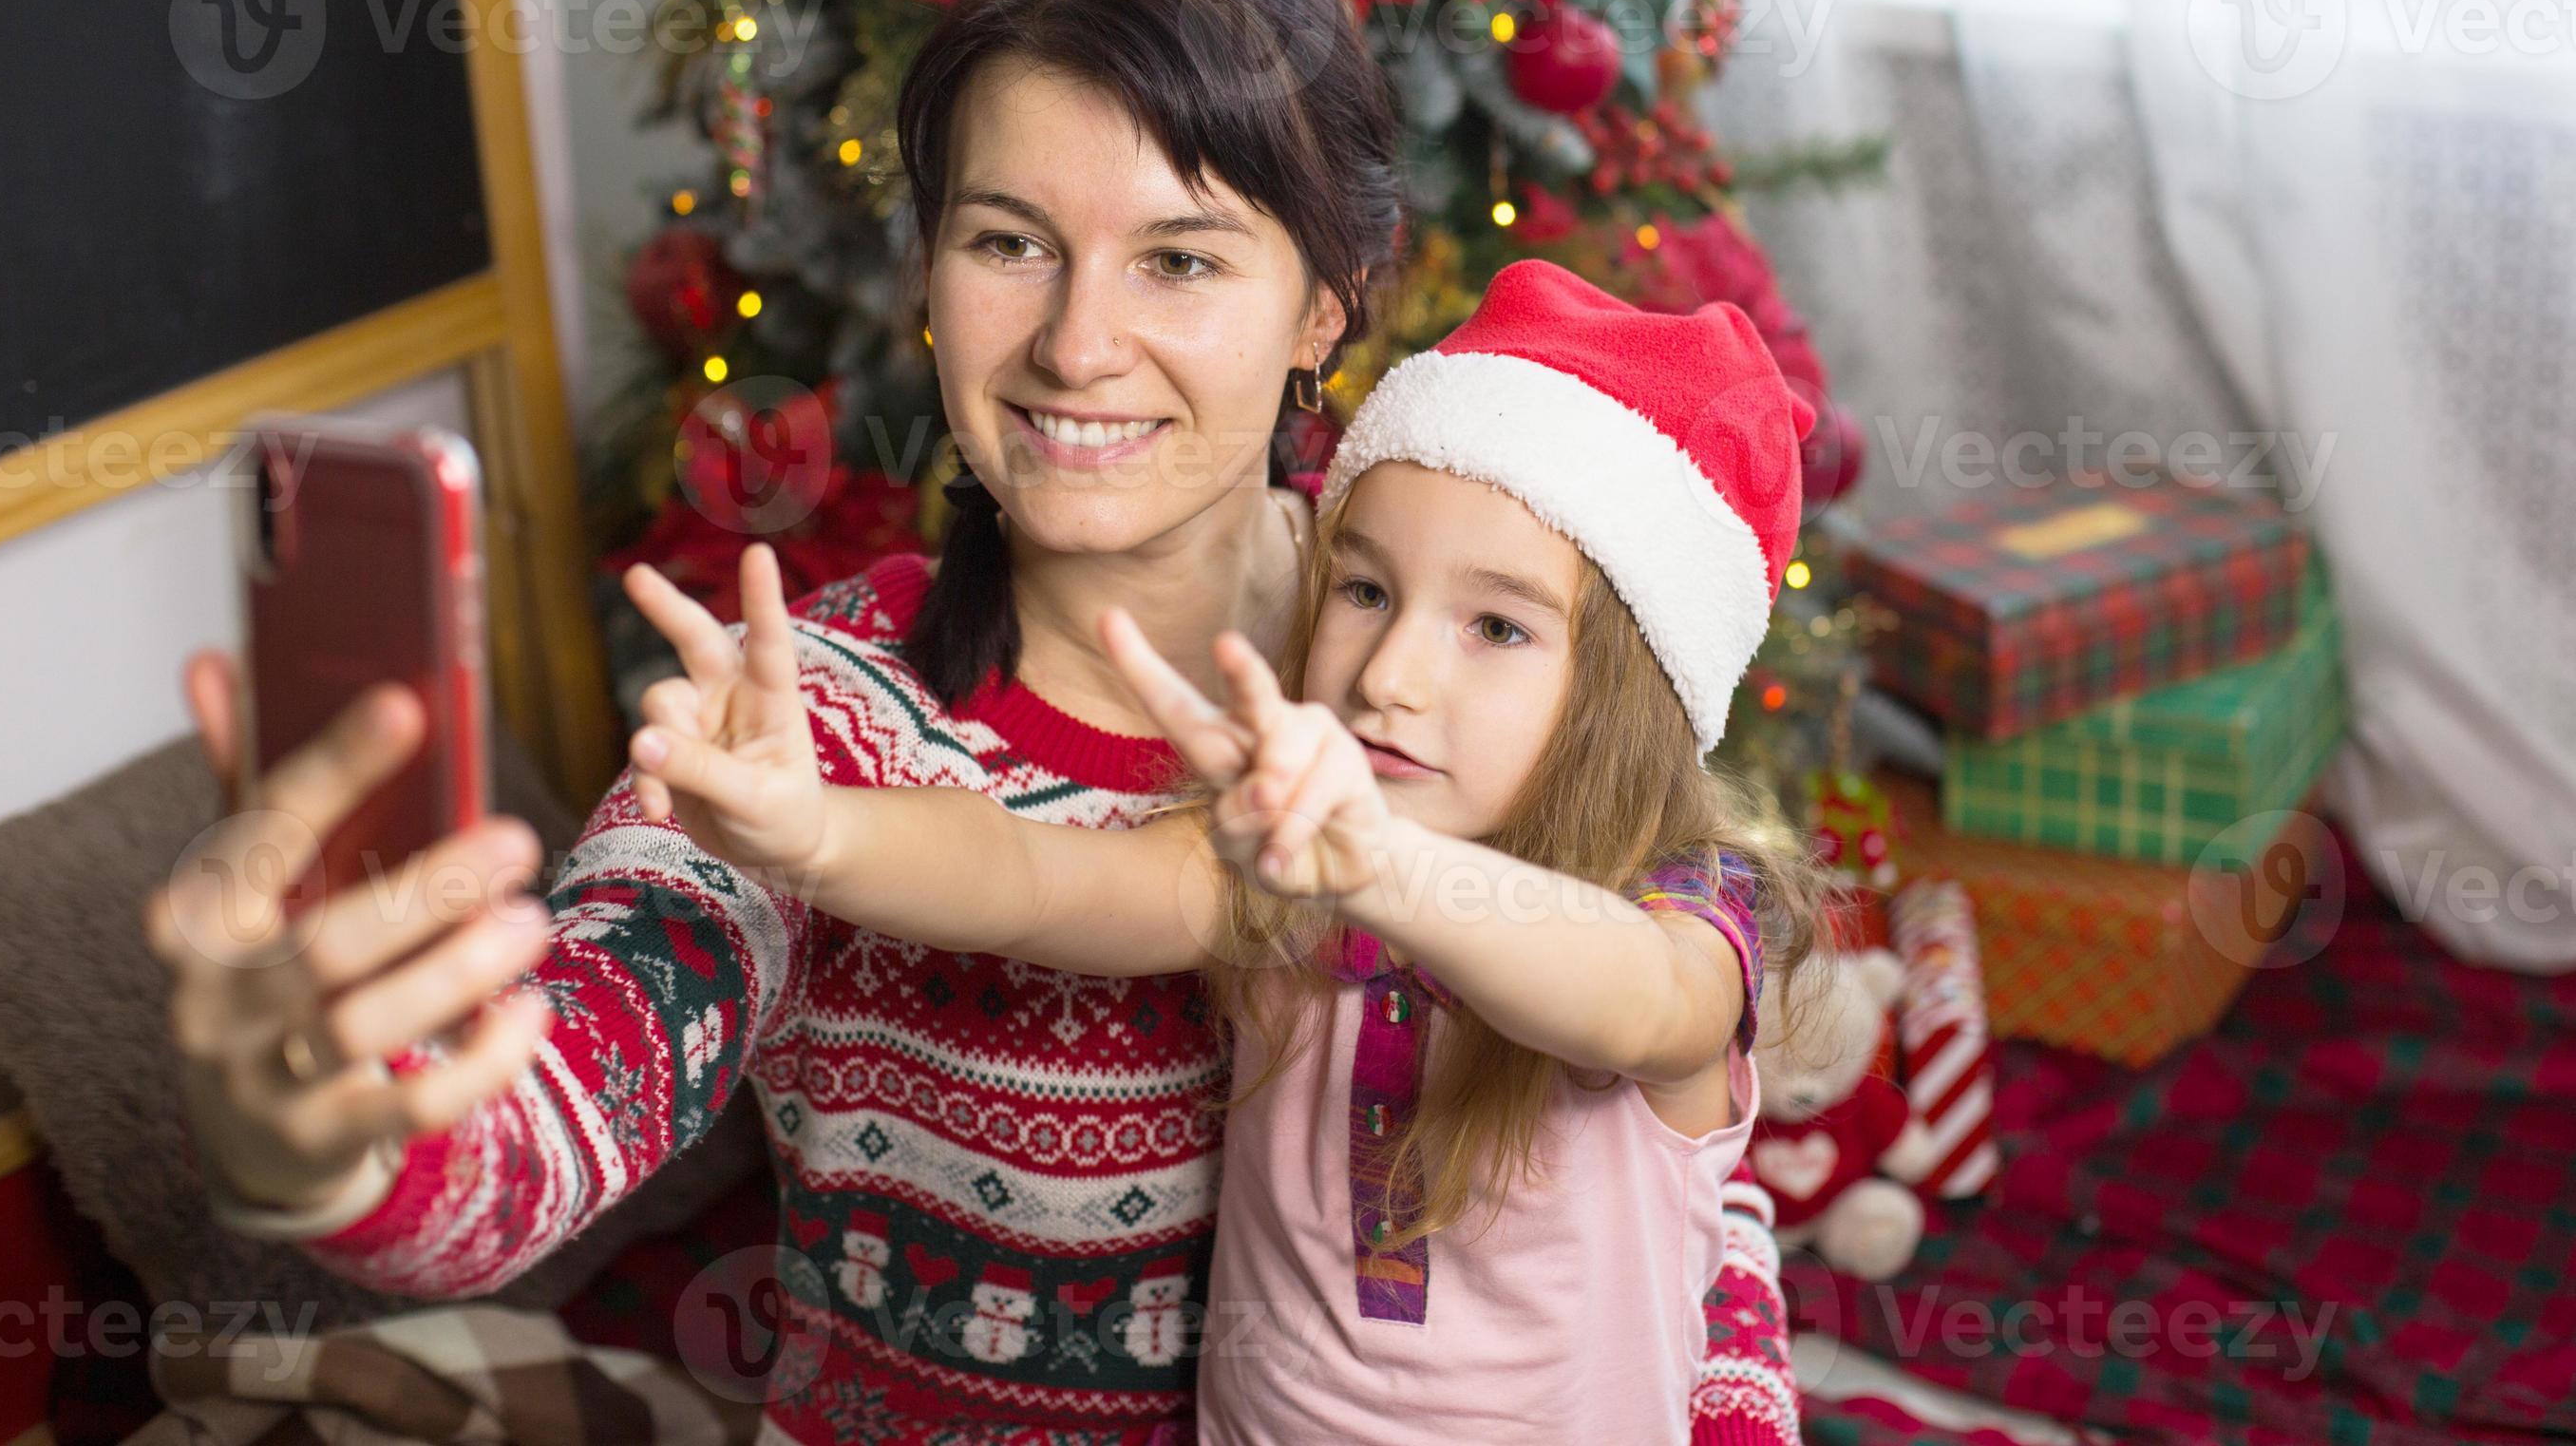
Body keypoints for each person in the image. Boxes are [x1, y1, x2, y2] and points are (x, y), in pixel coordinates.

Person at [143, 0, 1800, 1443]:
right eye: (1009, 242)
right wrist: (319, 1129)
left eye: (1182, 257)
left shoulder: (1454, 643)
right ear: (928, 276)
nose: (1079, 346)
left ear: (1329, 305)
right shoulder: (807, 718)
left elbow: (1672, 1192)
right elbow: (546, 1116)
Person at [624, 258, 1830, 1440]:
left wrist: (1379, 869)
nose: (1392, 674)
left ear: (1630, 694)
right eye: (1364, 592)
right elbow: (1034, 875)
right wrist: (820, 828)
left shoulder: (1681, 914)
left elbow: (1635, 1005)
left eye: (1497, 625)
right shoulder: (1283, 860)